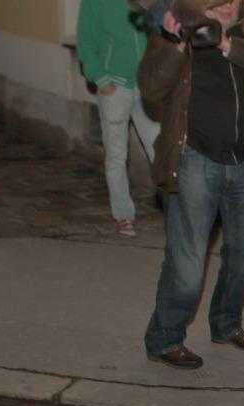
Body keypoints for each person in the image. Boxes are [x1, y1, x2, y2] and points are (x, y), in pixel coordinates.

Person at [139, 0, 244, 370]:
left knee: (243, 260)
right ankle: (165, 338)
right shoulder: (178, 23)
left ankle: (226, 324)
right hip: (194, 158)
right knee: (187, 263)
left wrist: (225, 42)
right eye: (213, 2)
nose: (222, 6)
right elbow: (151, 87)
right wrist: (175, 44)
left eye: (228, 1)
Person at [77, 0, 161, 238]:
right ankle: (123, 214)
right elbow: (86, 44)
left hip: (148, 86)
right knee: (116, 155)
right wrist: (102, 80)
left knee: (161, 150)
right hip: (114, 87)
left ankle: (176, 208)